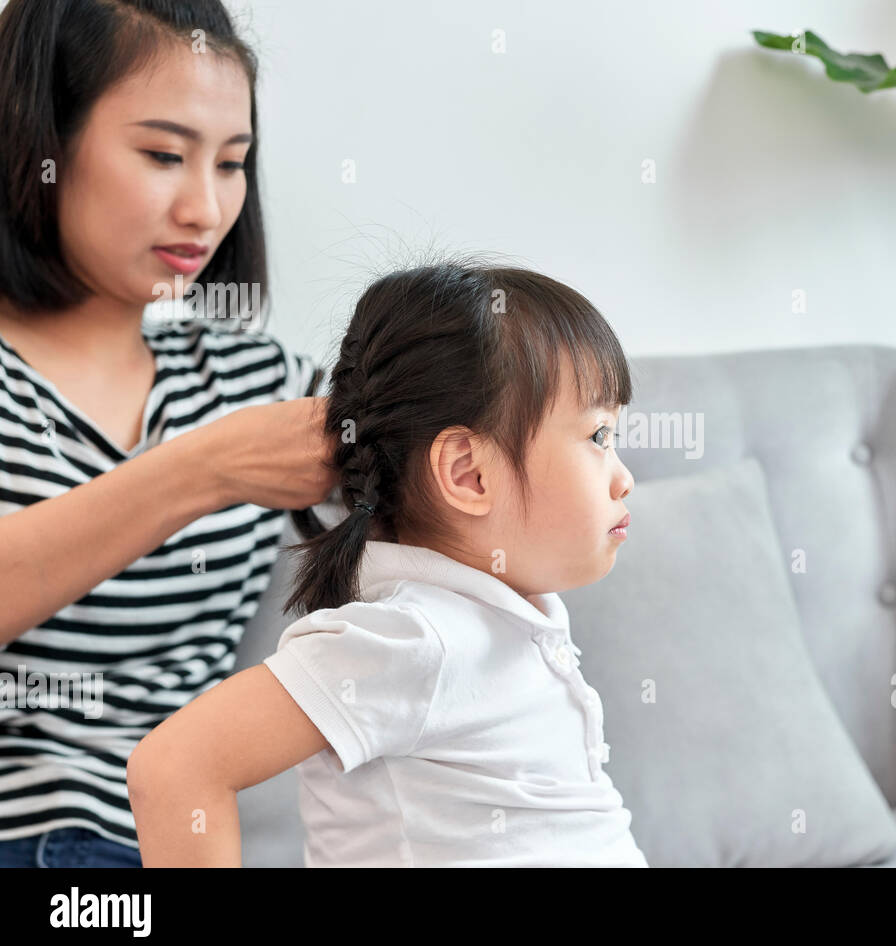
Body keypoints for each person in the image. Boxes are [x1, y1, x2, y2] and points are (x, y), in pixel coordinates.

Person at [127, 258, 650, 867]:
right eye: (598, 437)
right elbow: (176, 767)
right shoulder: (411, 638)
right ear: (469, 473)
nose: (624, 478)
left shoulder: (510, 620)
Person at [0, 0, 337, 867]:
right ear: (40, 139)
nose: (206, 207)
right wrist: (206, 467)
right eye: (162, 155)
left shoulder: (256, 380)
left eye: (232, 164)